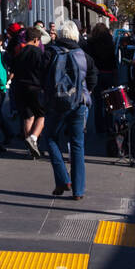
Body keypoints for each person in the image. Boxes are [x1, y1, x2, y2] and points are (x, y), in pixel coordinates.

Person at [40, 20, 97, 200]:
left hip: (56, 104)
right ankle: (78, 191)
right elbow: (93, 77)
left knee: (50, 138)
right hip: (78, 103)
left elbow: (41, 76)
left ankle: (63, 179)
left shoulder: (50, 52)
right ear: (75, 35)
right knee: (77, 144)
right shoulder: (83, 55)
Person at [11, 26, 47, 156]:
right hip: (35, 87)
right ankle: (33, 138)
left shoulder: (20, 52)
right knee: (41, 115)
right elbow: (42, 70)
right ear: (36, 40)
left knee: (28, 116)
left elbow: (13, 69)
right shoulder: (38, 53)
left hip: (20, 87)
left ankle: (30, 148)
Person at [85, 22, 118, 135]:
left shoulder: (91, 42)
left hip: (97, 74)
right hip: (109, 74)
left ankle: (99, 127)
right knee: (110, 103)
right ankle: (110, 125)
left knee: (98, 103)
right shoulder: (109, 42)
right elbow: (113, 59)